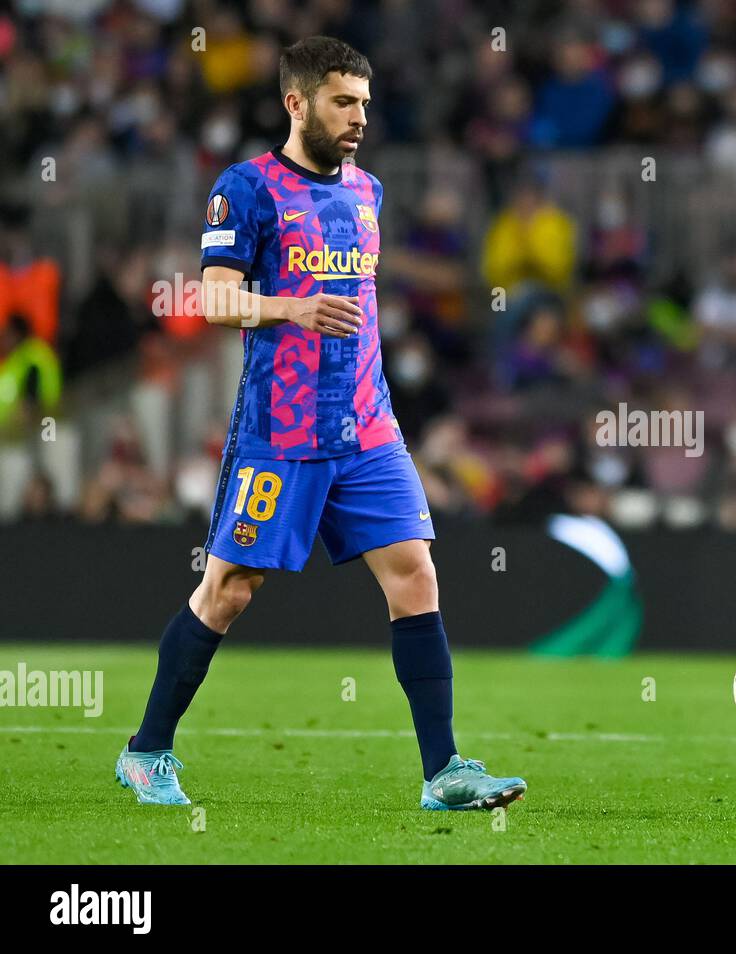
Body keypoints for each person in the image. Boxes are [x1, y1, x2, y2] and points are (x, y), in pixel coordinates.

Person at [116, 36, 527, 813]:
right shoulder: (246, 189)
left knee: (416, 574)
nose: (359, 117)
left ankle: (444, 772)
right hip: (281, 431)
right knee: (230, 589)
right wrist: (288, 305)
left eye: (365, 103)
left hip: (368, 428)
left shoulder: (368, 191)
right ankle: (147, 752)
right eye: (343, 101)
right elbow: (210, 299)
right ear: (296, 102)